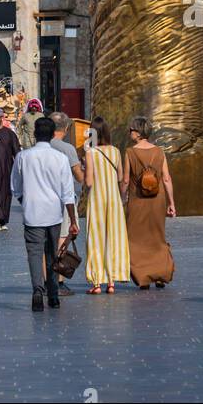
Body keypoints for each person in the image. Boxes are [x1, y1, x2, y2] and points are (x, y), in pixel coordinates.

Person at [10, 115, 78, 311]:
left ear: (35, 134)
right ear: (51, 135)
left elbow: (15, 187)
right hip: (54, 214)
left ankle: (37, 290)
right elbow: (68, 193)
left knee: (34, 253)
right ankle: (54, 294)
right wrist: (73, 220)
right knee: (52, 253)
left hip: (32, 214)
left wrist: (25, 201)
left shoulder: (23, 157)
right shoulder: (61, 158)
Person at [122, 117, 175, 289]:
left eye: (131, 130)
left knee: (136, 239)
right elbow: (166, 179)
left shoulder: (130, 152)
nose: (129, 133)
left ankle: (143, 276)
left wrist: (121, 198)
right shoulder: (159, 151)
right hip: (157, 200)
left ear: (137, 132)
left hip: (137, 200)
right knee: (157, 237)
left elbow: (125, 180)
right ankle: (161, 274)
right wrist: (171, 203)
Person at [82, 115, 130, 294]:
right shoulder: (116, 151)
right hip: (114, 200)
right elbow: (119, 177)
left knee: (96, 238)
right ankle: (111, 281)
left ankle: (97, 283)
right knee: (113, 237)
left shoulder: (91, 152)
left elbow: (88, 182)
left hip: (97, 199)